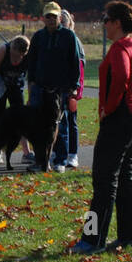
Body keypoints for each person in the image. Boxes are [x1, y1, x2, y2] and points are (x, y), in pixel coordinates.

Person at [72, 1, 132, 254]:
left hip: (120, 116)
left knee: (103, 178)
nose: (104, 24)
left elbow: (120, 76)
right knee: (123, 177)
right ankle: (130, 237)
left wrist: (108, 107)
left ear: (117, 23)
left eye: (106, 19)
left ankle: (91, 240)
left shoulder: (120, 47)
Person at [24, 2, 84, 173]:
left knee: (60, 124)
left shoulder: (68, 36)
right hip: (40, 87)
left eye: (54, 16)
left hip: (61, 88)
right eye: (48, 16)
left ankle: (60, 160)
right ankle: (40, 160)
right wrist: (32, 84)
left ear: (59, 17)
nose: (51, 19)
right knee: (37, 125)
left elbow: (75, 63)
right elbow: (32, 63)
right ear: (43, 18)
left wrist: (74, 86)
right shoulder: (38, 37)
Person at [0, 34, 32, 162]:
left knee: (21, 119)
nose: (14, 58)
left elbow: (31, 78)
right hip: (1, 84)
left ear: (24, 54)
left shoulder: (29, 57)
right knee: (0, 117)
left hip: (17, 87)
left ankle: (26, 153)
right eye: (12, 54)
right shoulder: (4, 50)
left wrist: (30, 96)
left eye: (17, 56)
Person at [56, 9, 85, 170]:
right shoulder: (56, 39)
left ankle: (73, 154)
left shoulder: (74, 40)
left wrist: (75, 90)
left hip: (72, 89)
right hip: (58, 88)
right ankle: (58, 152)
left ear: (69, 23)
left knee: (71, 120)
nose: (61, 24)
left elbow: (80, 68)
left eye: (64, 21)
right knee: (59, 120)